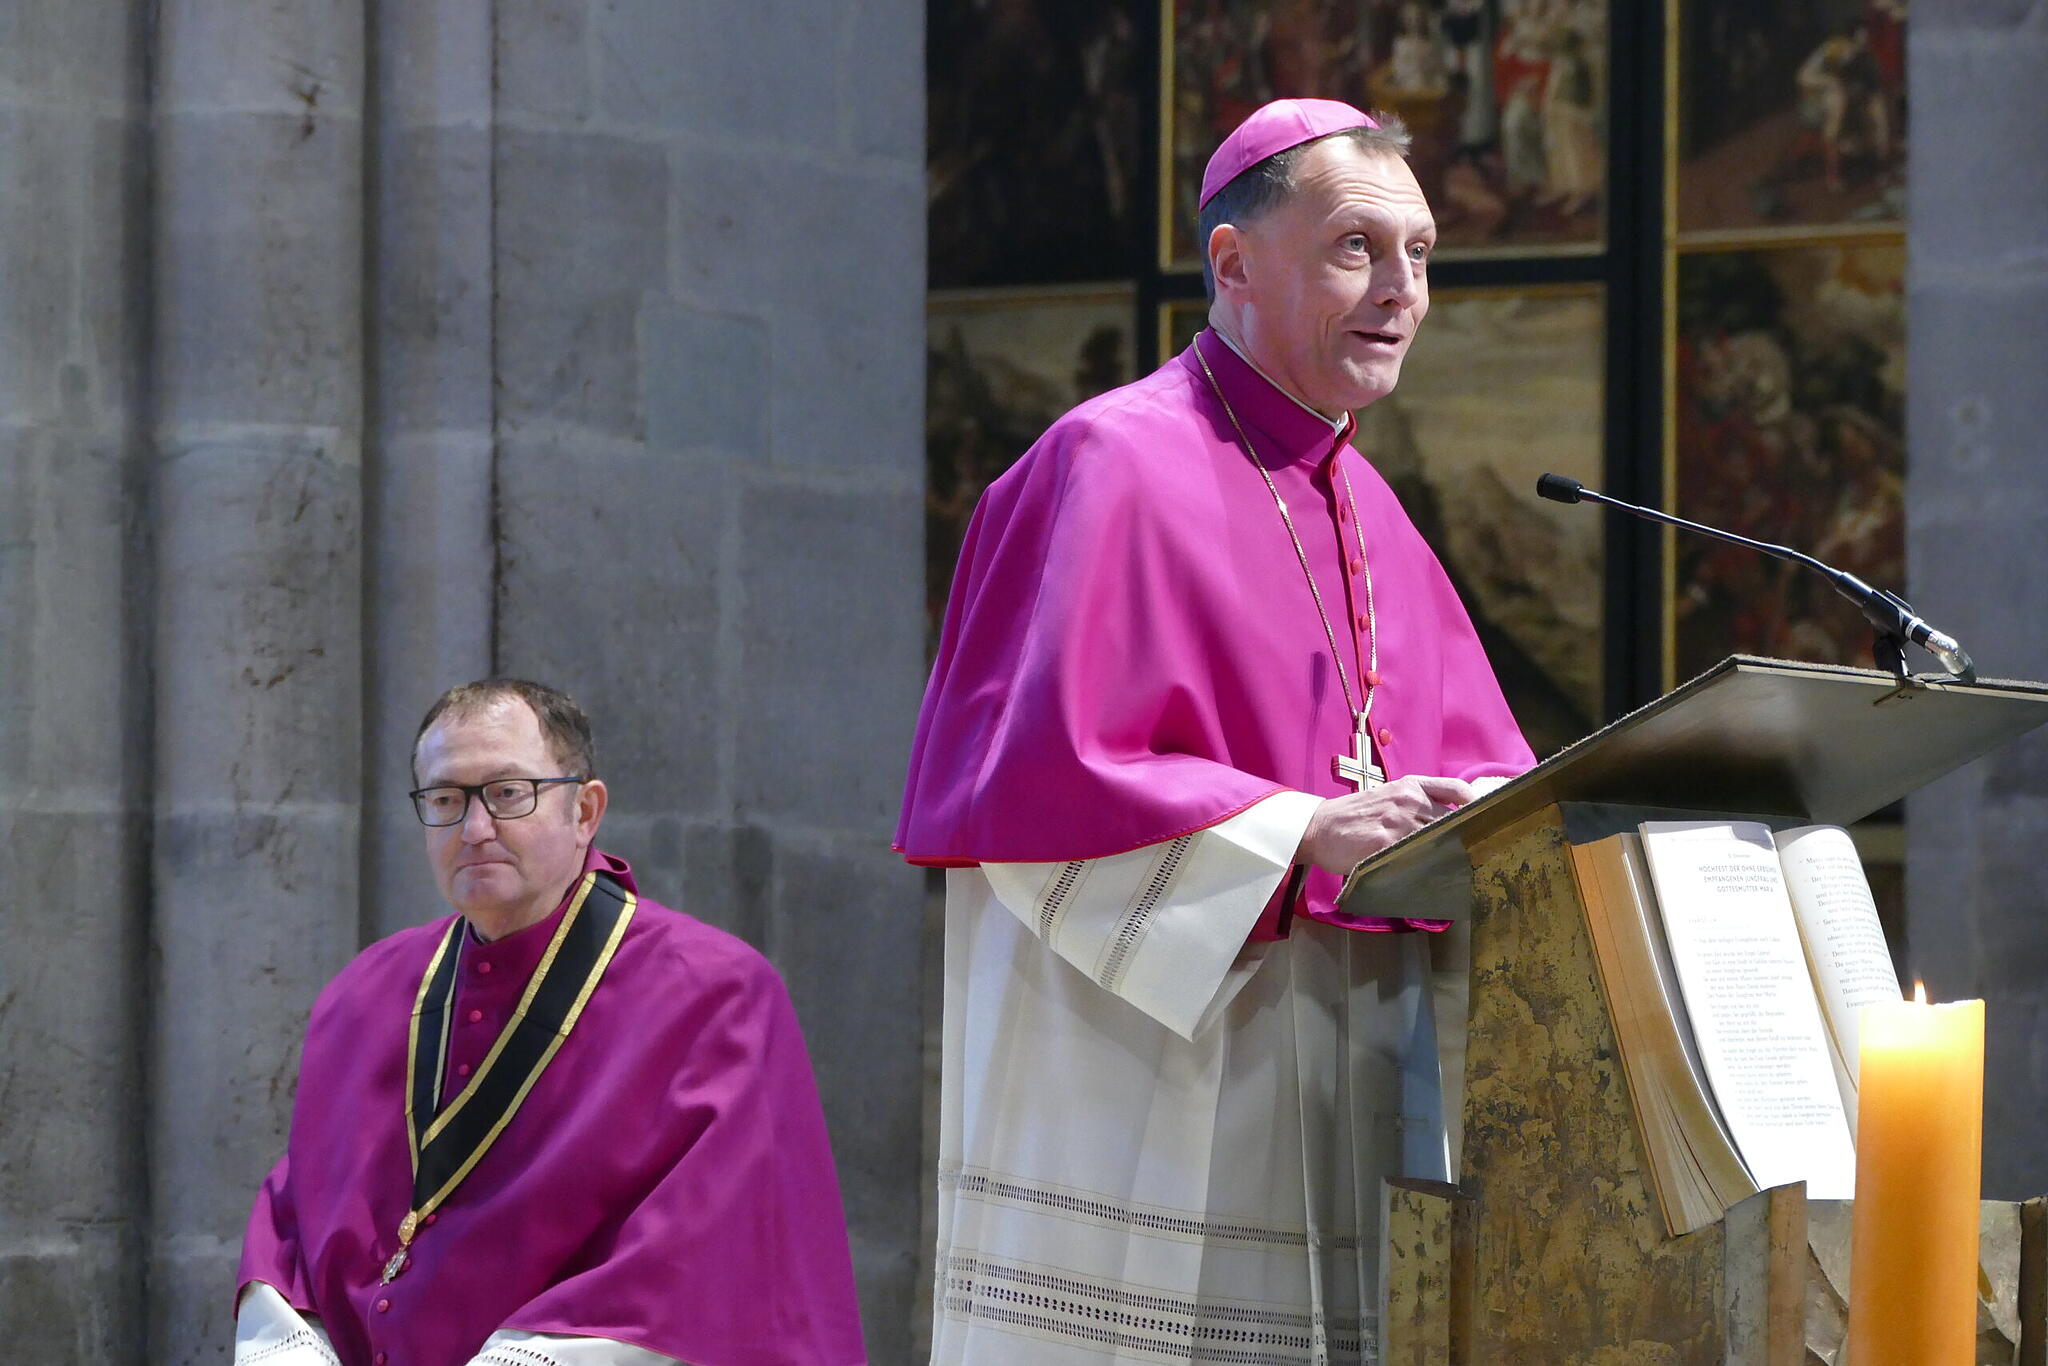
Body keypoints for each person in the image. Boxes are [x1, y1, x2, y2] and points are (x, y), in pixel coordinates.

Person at [897, 98, 1535, 1364]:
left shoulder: (1374, 511)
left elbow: (1489, 771)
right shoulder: (1109, 462)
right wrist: (1303, 828)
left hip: (1347, 1055)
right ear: (1234, 264)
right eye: (1357, 247)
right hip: (1156, 1060)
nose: (1400, 288)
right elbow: (1041, 778)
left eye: (1420, 256)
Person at [235, 679, 866, 1366]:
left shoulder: (713, 993)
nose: (475, 830)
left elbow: (703, 1257)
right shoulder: (366, 994)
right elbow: (293, 1218)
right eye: (446, 800)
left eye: (509, 794)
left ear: (585, 811)